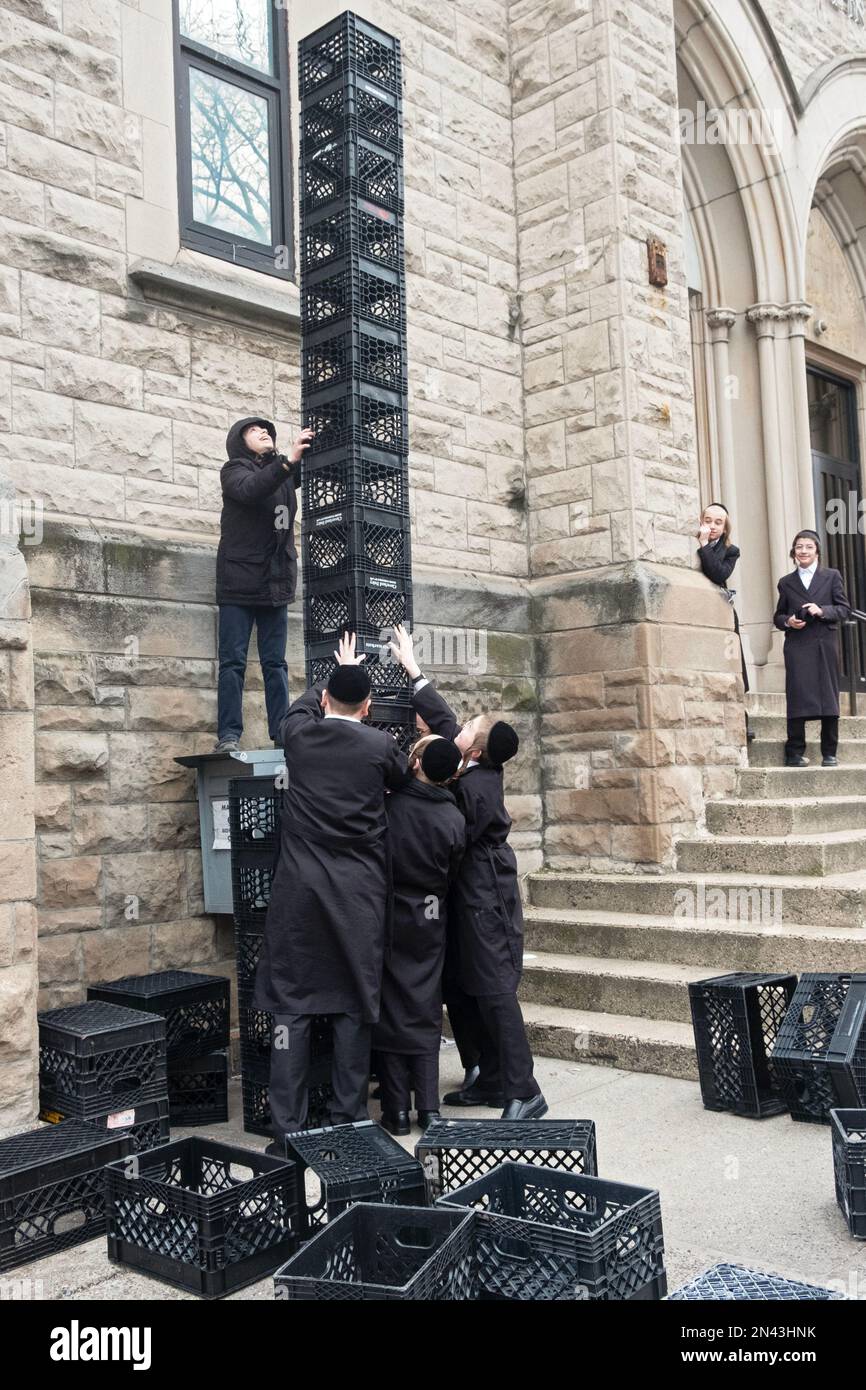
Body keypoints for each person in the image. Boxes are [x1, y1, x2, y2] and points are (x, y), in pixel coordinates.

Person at [253, 633, 409, 1147]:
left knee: (291, 1007)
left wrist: (332, 670)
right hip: (358, 897)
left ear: (325, 700)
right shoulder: (380, 747)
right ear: (367, 707)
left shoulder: (300, 736)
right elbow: (403, 780)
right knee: (352, 1006)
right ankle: (348, 1122)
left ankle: (286, 1129)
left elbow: (297, 710)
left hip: (299, 894)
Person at [390, 624, 548, 1121]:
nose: (455, 729)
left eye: (465, 731)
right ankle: (484, 1073)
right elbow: (444, 720)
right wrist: (412, 667)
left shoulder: (474, 788)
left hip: (485, 896)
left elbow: (448, 820)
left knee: (493, 986)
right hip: (459, 897)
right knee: (458, 985)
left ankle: (524, 1089)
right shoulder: (470, 762)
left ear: (473, 752)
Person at [373, 734, 466, 1135]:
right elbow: (454, 871)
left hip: (392, 914)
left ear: (416, 764)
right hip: (431, 916)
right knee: (427, 1008)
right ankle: (428, 1109)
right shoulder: (454, 819)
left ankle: (395, 1111)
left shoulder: (390, 808)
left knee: (392, 1006)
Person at [214, 417, 313, 752]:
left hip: (275, 584)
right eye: (255, 431)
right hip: (238, 585)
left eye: (268, 430)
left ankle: (281, 734)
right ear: (240, 441)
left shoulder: (283, 472)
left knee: (276, 664)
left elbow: (308, 467)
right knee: (232, 663)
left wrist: (311, 441)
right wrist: (288, 462)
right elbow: (253, 489)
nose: (265, 432)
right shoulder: (233, 471)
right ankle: (228, 735)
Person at [773, 529, 850, 768]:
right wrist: (788, 621)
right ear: (793, 552)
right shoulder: (785, 582)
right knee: (797, 697)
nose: (803, 551)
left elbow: (844, 609)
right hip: (797, 645)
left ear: (817, 551)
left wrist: (822, 610)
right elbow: (778, 616)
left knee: (828, 697)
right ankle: (794, 753)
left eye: (808, 546)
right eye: (799, 547)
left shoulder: (832, 576)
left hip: (824, 644)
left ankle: (830, 753)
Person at [696, 502, 753, 740]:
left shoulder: (731, 550)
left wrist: (703, 546)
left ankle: (742, 719)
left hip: (721, 613)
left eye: (718, 523)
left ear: (725, 527)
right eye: (708, 520)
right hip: (697, 612)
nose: (712, 526)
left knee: (732, 667)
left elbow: (718, 573)